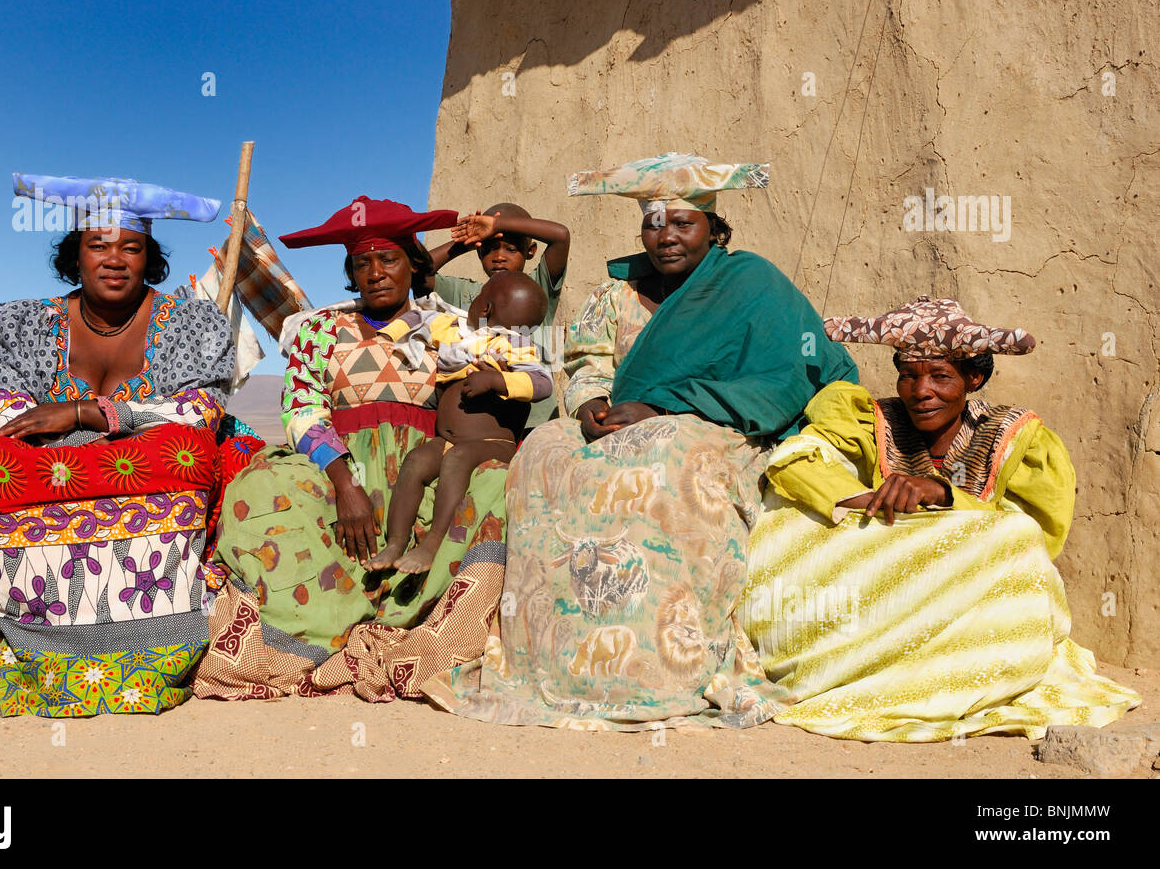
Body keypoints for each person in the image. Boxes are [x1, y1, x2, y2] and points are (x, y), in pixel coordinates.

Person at [421, 152, 859, 730]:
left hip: (713, 422)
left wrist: (664, 405)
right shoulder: (614, 294)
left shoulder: (750, 282)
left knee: (664, 456)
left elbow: (784, 371)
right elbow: (588, 363)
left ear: (714, 230)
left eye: (683, 223)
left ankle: (662, 660)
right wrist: (590, 407)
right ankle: (554, 656)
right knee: (545, 453)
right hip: (616, 420)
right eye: (654, 224)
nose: (666, 236)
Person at [743, 296, 1140, 741]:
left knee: (1014, 534)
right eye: (908, 376)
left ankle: (951, 670)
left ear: (973, 378)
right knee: (786, 519)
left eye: (940, 376)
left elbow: (1031, 543)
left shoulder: (1015, 436)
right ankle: (853, 660)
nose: (921, 391)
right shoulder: (871, 419)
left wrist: (945, 496)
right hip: (881, 592)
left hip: (969, 602)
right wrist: (869, 501)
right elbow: (798, 459)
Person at [191, 197, 511, 702]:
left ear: (415, 266)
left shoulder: (449, 330)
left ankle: (430, 628)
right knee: (263, 486)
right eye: (362, 263)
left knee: (495, 482)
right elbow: (302, 412)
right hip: (339, 465)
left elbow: (499, 389)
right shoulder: (319, 330)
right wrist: (345, 484)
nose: (376, 272)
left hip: (423, 467)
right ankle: (314, 633)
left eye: (389, 259)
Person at [0, 174, 236, 718]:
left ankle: (166, 640)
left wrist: (91, 413)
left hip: (161, 458)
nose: (114, 258)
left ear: (148, 257)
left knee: (188, 453)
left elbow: (200, 412)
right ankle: (43, 645)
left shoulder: (192, 324)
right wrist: (95, 446)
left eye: (131, 247)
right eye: (97, 245)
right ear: (74, 256)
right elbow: (6, 414)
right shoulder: (24, 323)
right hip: (63, 462)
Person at [367, 271, 552, 574]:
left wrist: (496, 380)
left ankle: (432, 543)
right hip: (448, 439)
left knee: (457, 458)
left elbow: (542, 384)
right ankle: (395, 542)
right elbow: (419, 319)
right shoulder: (453, 330)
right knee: (415, 460)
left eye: (478, 295)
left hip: (496, 444)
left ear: (485, 308)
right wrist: (389, 335)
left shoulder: (515, 346)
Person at [428, 203, 569, 432]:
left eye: (511, 249)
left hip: (534, 423)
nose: (499, 258)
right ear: (479, 250)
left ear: (530, 251)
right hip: (475, 424)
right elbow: (418, 272)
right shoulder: (465, 294)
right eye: (490, 248)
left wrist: (497, 225)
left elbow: (561, 237)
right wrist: (465, 242)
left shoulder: (535, 290)